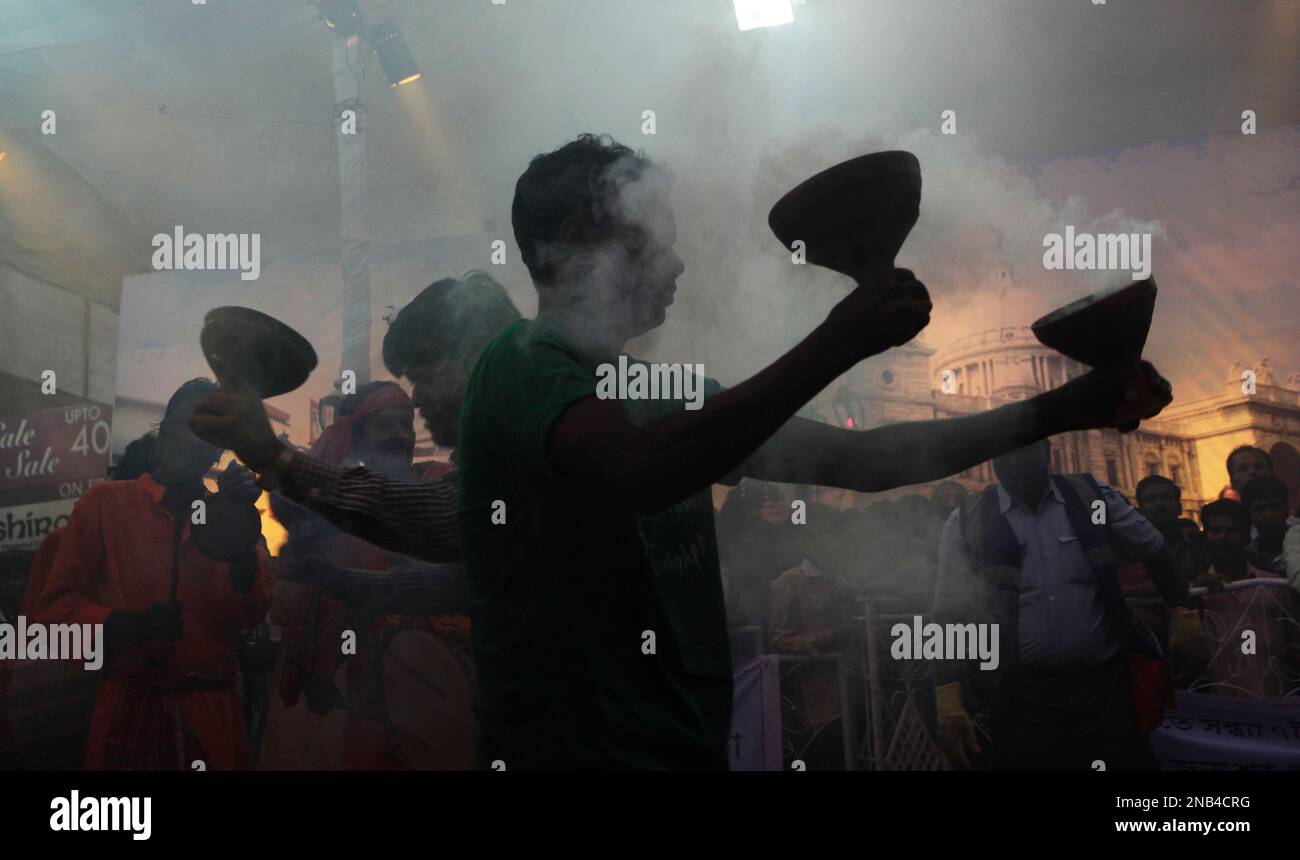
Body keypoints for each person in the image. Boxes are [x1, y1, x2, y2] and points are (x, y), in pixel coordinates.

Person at [453, 133, 1173, 769]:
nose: (676, 266)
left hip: (679, 749)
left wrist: (1069, 406)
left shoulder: (664, 391)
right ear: (582, 238)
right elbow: (638, 469)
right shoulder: (523, 360)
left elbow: (865, 462)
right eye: (655, 240)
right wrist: (837, 341)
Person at [30, 380, 271, 769]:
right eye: (186, 424)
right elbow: (53, 613)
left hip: (211, 718)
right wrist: (125, 623)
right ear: (163, 431)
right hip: (128, 707)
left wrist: (239, 527)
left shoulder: (229, 518)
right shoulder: (104, 504)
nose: (195, 439)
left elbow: (251, 612)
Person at [933, 439, 1183, 771]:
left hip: (1104, 689)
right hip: (1022, 696)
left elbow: (1154, 549)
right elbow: (949, 611)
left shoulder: (1093, 498)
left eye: (1025, 448)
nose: (1015, 460)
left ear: (1048, 452)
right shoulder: (966, 519)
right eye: (1005, 451)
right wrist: (947, 693)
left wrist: (1184, 612)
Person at [1240, 475, 1299, 577]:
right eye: (1260, 509)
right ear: (1249, 514)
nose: (1269, 515)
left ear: (1286, 510)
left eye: (1275, 507)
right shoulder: (1246, 553)